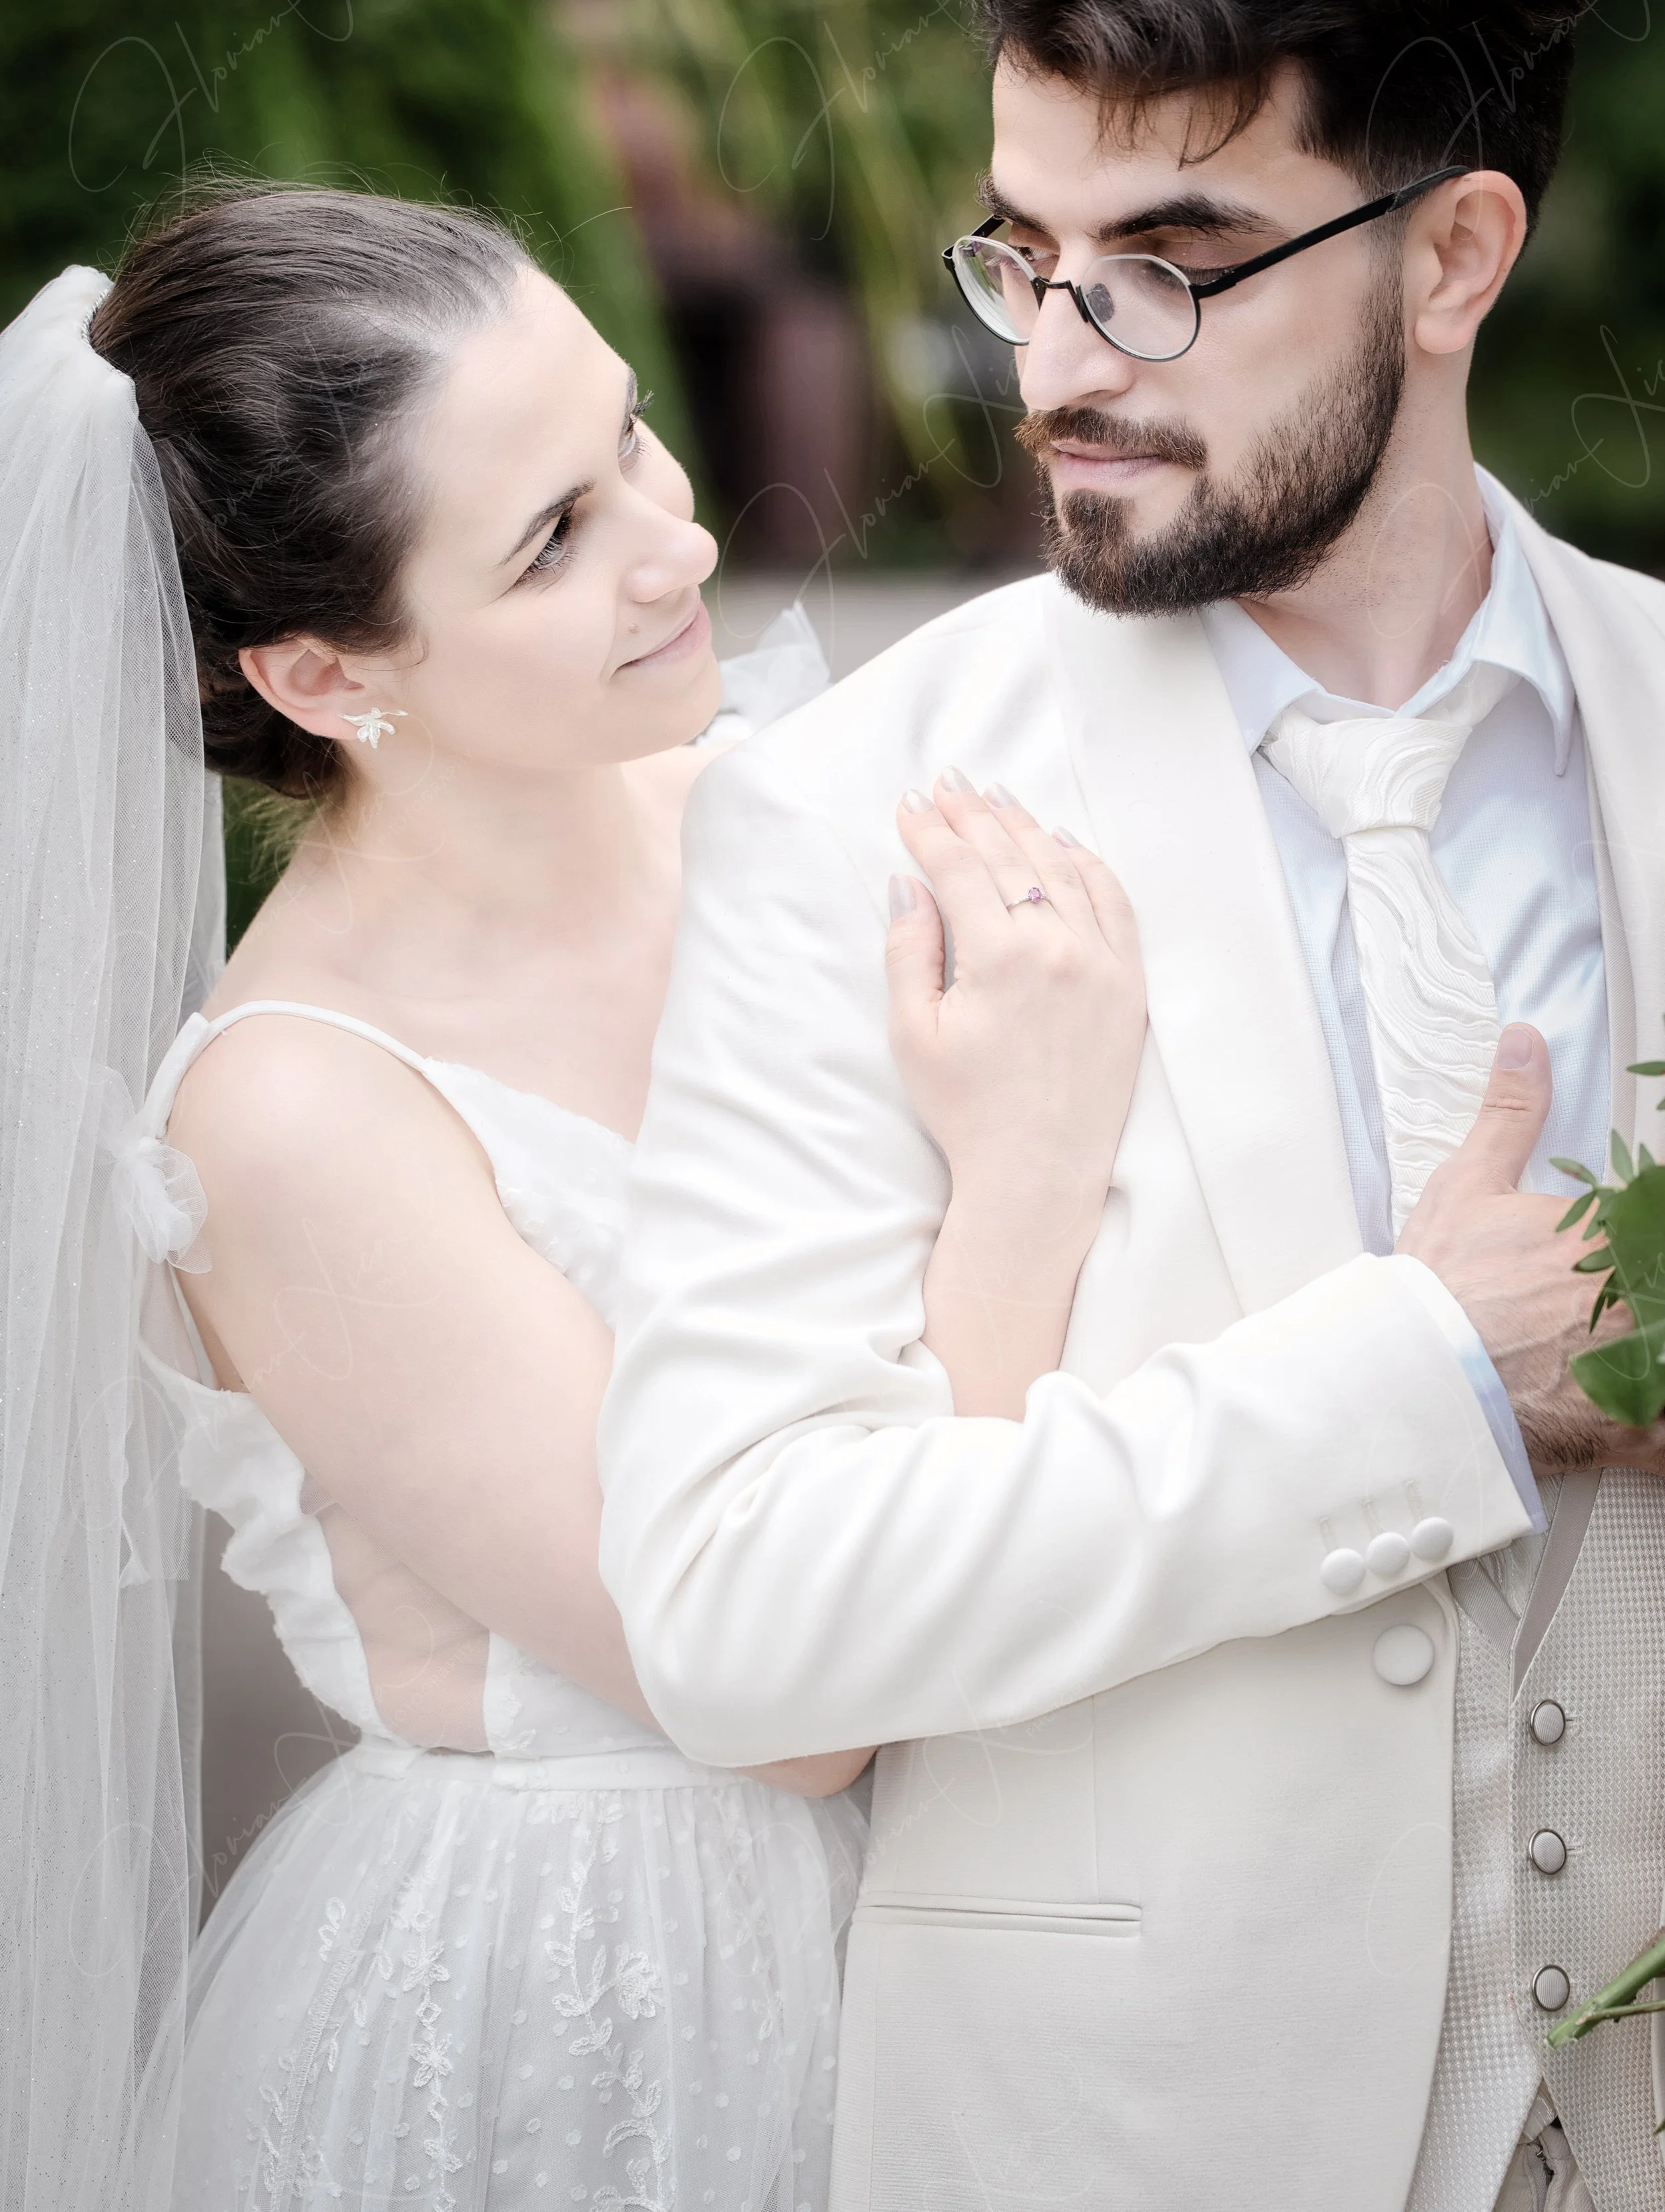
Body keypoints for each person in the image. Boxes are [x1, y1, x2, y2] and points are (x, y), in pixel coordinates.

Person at [597, 0, 1665, 2212]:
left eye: (1167, 260)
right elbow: (744, 1614)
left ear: (1454, 254)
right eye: (1020, 254)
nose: (1056, 358)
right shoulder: (853, 801)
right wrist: (1417, 1371)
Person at [51, 178, 1142, 2212]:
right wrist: (1028, 1174)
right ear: (319, 677)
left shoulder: (773, 798)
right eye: (554, 540)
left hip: (979, 1903)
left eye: (626, 435)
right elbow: (778, 1698)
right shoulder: (295, 1113)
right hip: (597, 1995)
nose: (684, 543)